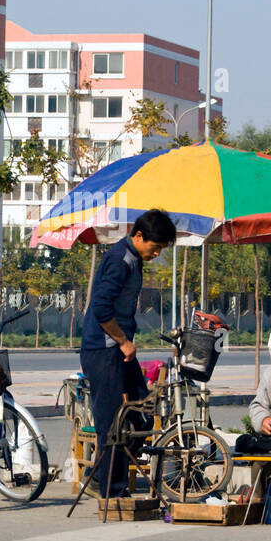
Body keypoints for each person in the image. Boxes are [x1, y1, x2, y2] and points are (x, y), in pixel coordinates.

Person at [80, 209, 176, 498]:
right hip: (103, 350)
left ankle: (98, 473)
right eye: (155, 247)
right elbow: (101, 309)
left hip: (121, 350)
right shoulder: (119, 261)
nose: (157, 254)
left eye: (161, 249)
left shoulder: (134, 259)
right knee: (112, 424)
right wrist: (123, 341)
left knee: (141, 416)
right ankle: (112, 488)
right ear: (138, 236)